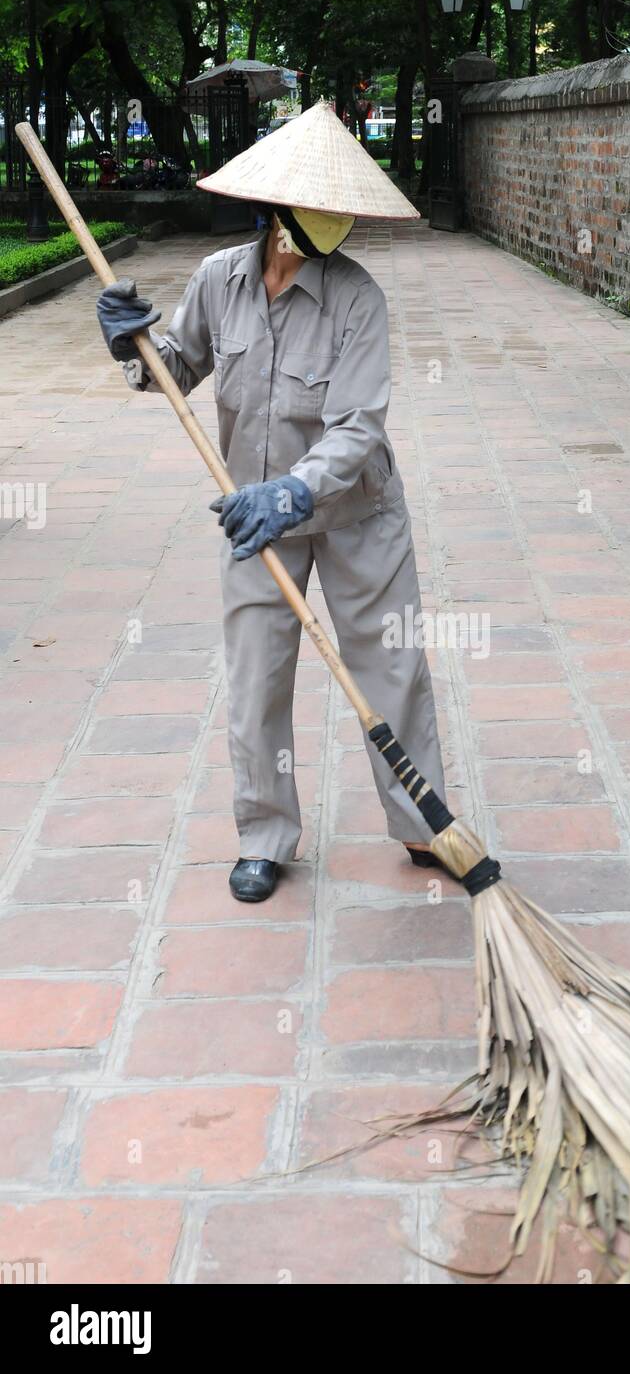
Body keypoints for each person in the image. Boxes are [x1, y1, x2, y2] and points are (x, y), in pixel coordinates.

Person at [95, 102, 447, 903]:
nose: (331, 224)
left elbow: (358, 427)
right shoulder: (220, 279)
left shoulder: (359, 300)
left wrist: (297, 490)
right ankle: (264, 833)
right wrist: (131, 345)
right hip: (254, 518)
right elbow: (177, 368)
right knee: (256, 676)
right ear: (273, 212)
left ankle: (425, 824)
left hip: (355, 512)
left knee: (391, 670)